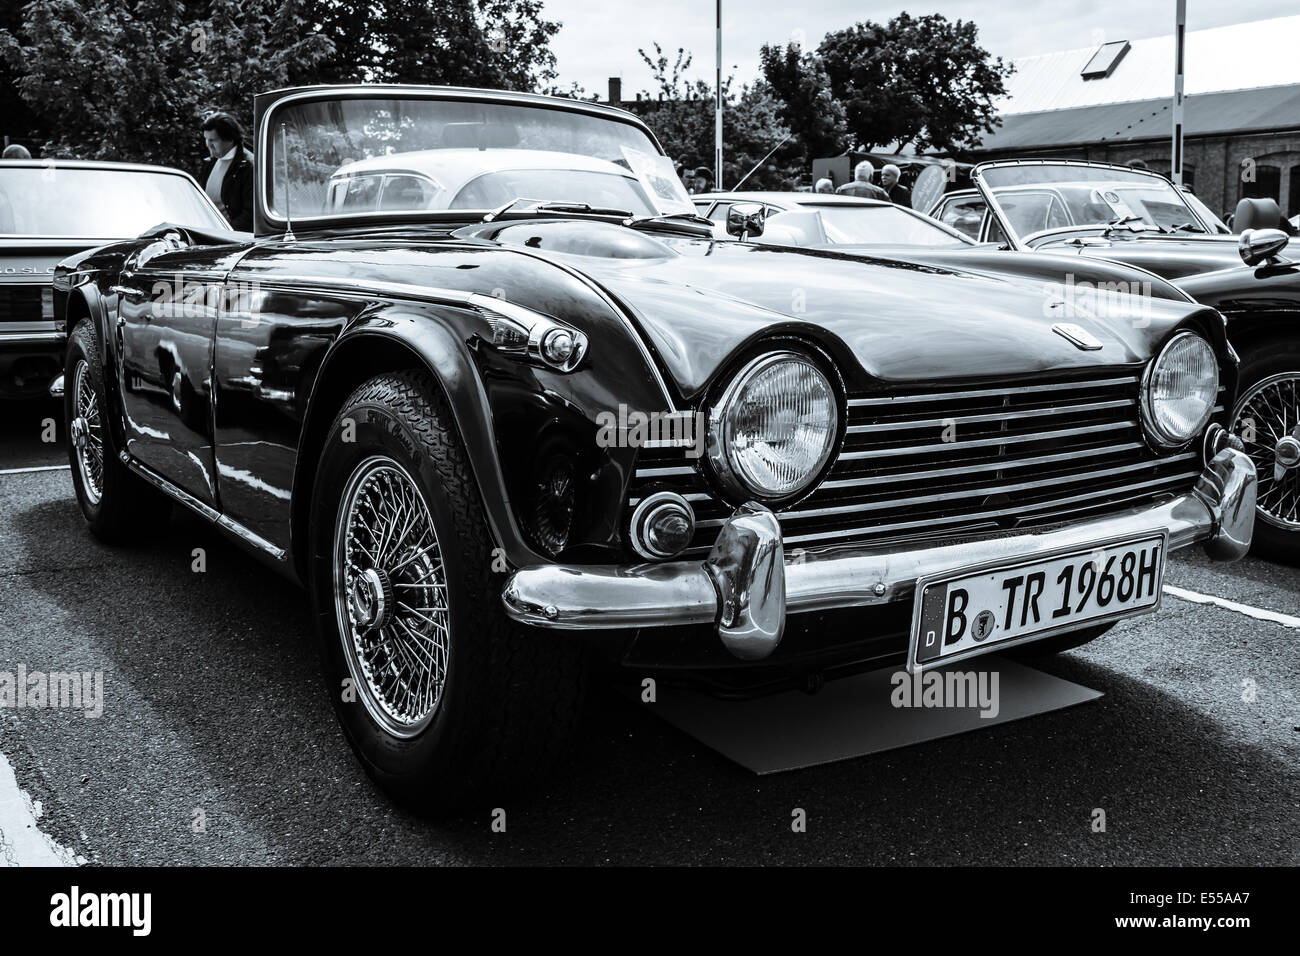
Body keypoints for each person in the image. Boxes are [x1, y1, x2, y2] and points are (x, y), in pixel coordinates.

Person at [197, 112, 254, 231]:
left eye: (213, 140)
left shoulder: (249, 167)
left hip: (232, 240)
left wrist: (226, 232)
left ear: (230, 139)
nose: (208, 145)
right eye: (206, 139)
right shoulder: (209, 163)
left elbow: (250, 214)